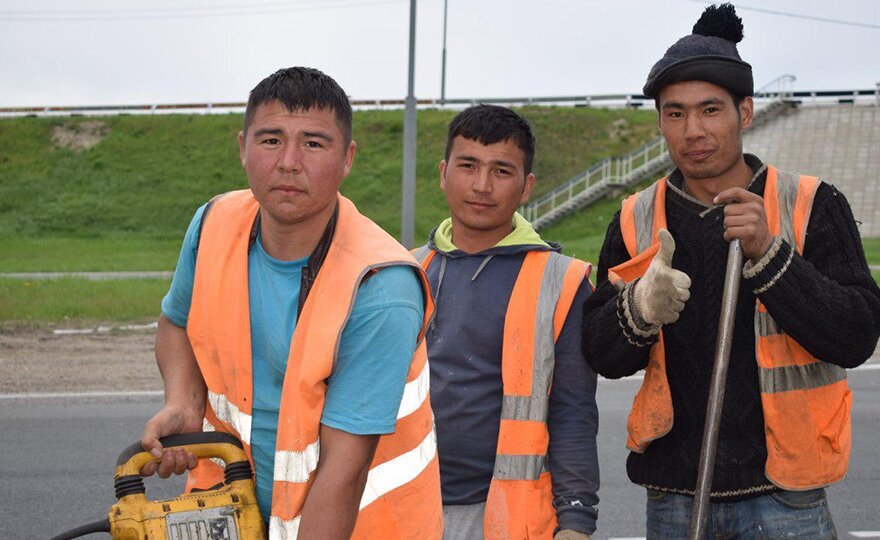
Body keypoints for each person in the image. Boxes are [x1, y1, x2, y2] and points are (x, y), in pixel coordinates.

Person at [581, 4, 880, 538]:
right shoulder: (636, 217)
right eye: (674, 114)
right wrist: (639, 308)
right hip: (675, 497)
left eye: (709, 110)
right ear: (659, 121)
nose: (692, 130)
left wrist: (771, 255)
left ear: (744, 112)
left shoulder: (811, 203)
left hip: (784, 496)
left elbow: (857, 335)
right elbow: (601, 355)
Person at [138, 66, 442, 539]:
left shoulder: (381, 286)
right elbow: (176, 324)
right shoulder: (214, 223)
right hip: (232, 511)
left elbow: (344, 472)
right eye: (271, 139)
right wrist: (184, 403)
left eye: (314, 143)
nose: (289, 162)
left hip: (364, 525)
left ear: (347, 158)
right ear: (242, 147)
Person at [413, 105, 600, 540]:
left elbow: (573, 412)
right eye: (468, 166)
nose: (481, 185)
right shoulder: (404, 271)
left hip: (502, 518)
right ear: (444, 173)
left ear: (527, 186)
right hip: (403, 504)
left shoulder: (562, 280)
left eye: (501, 170)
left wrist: (576, 519)